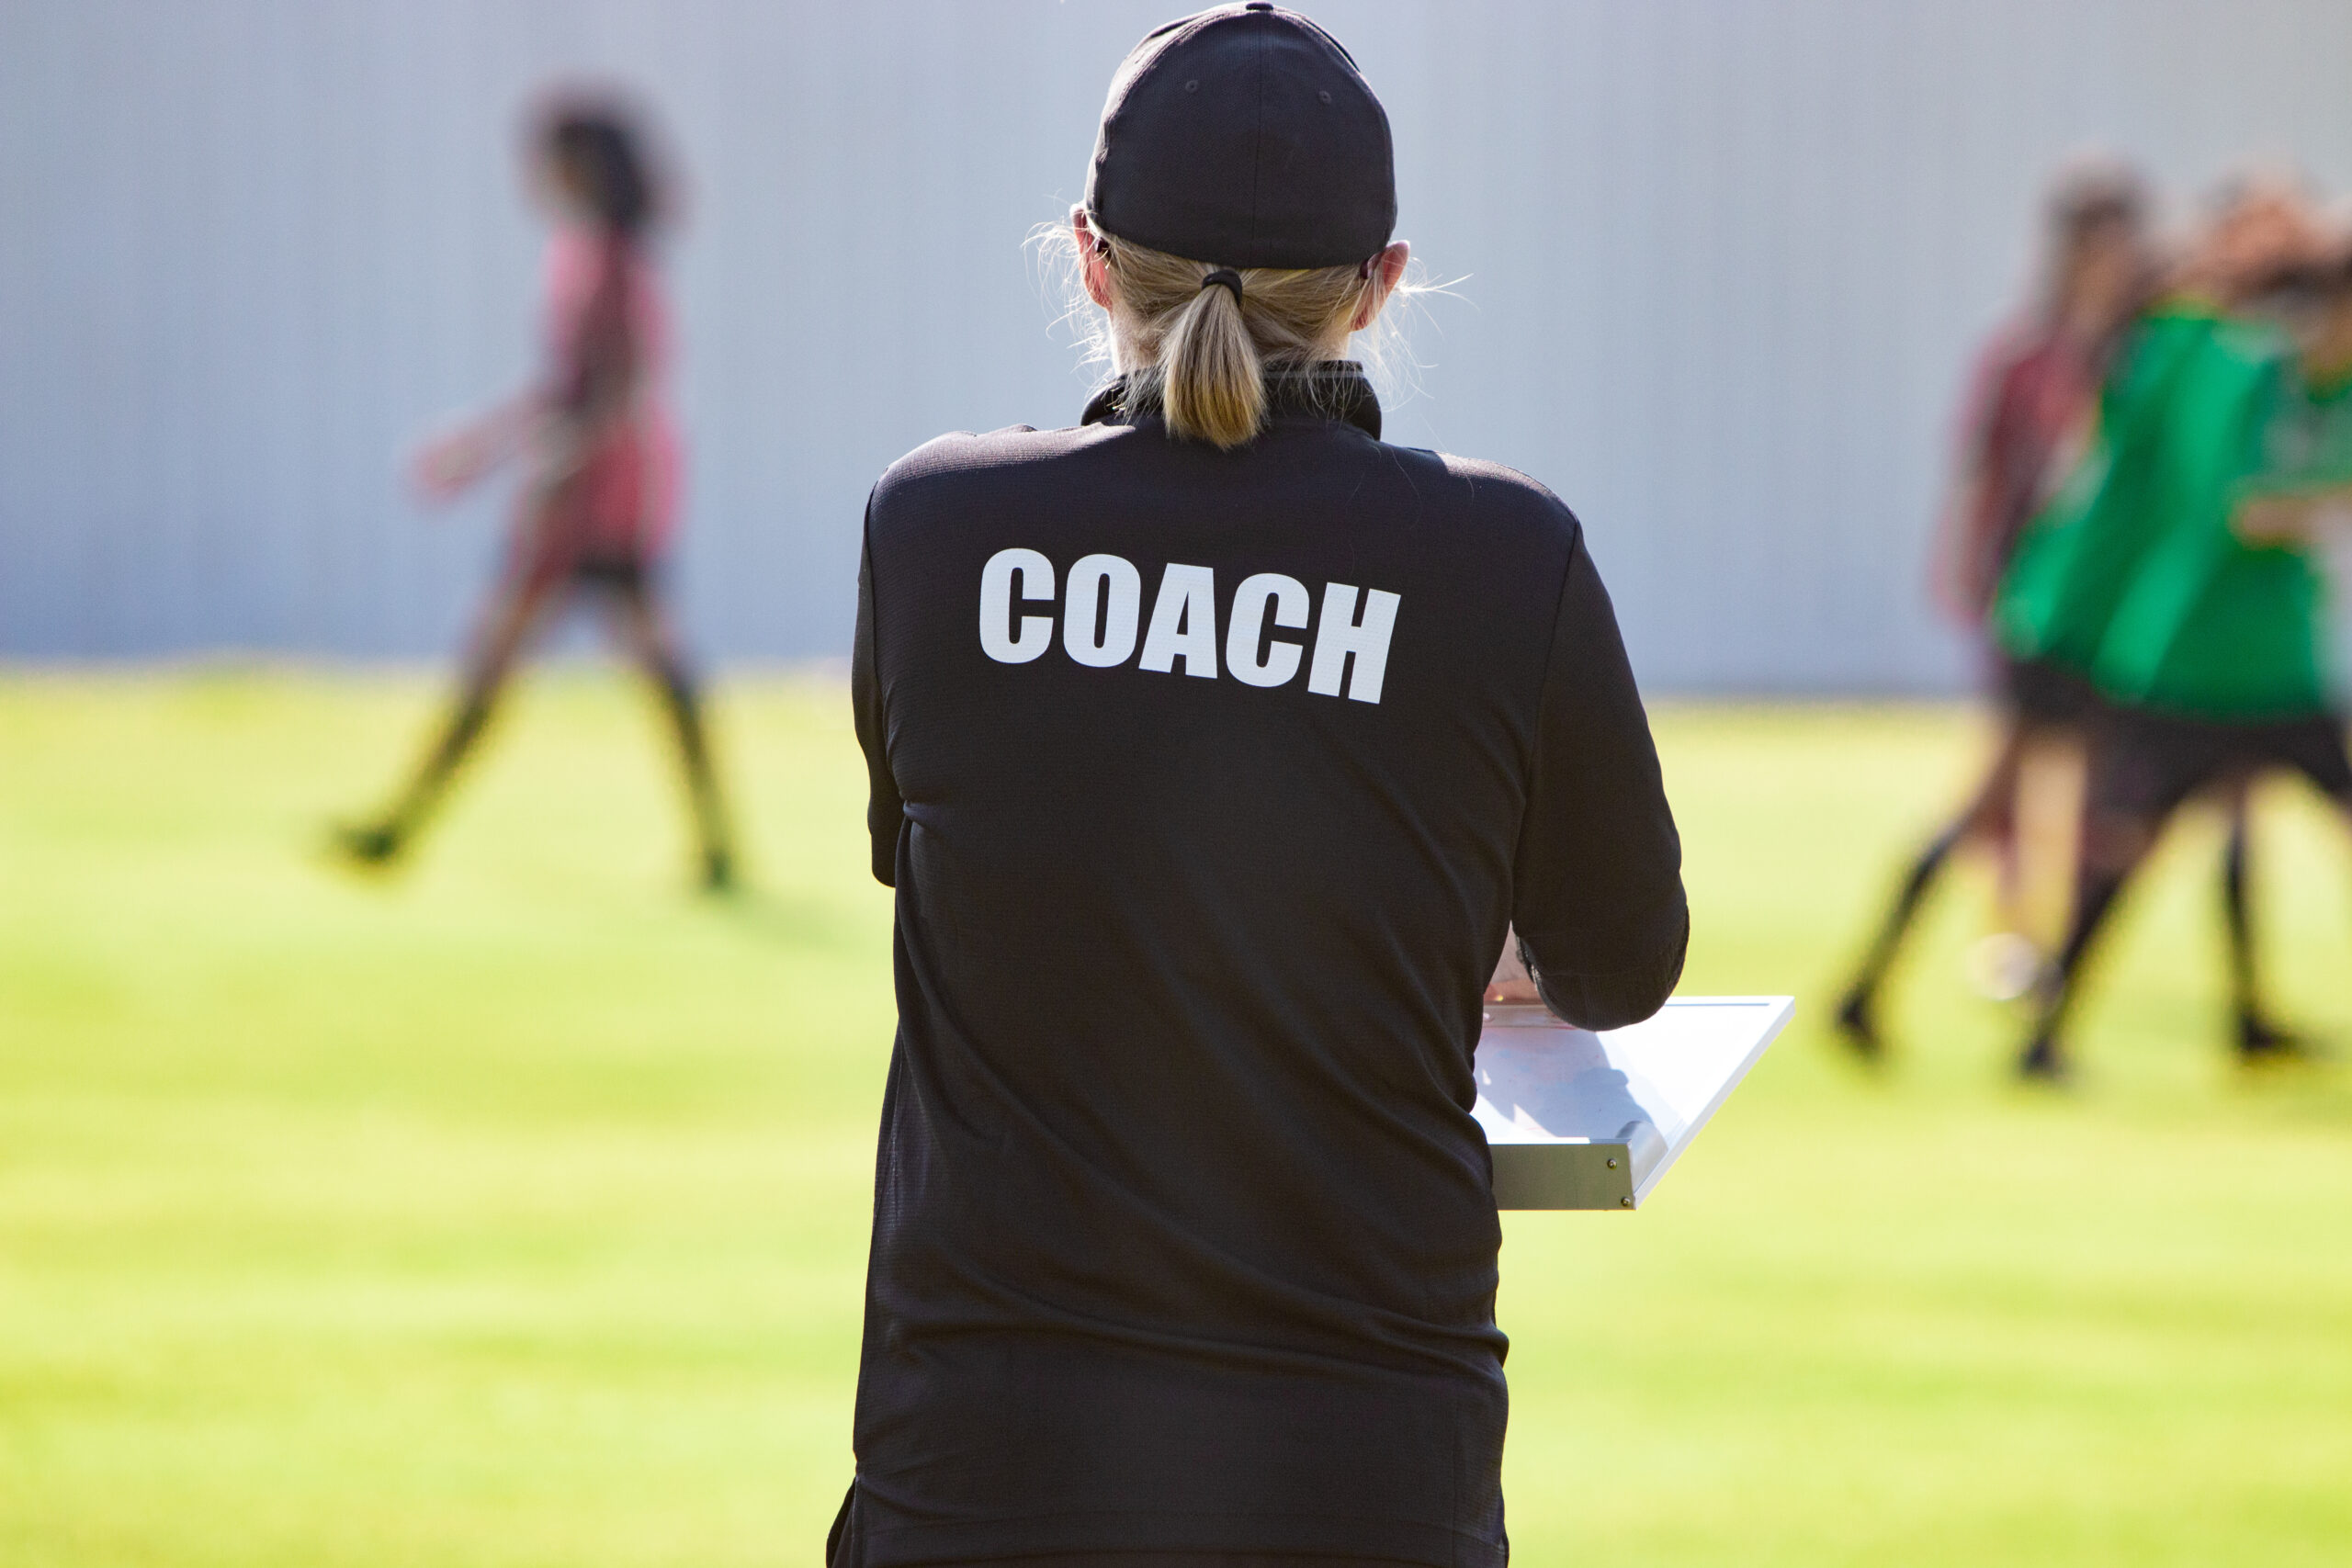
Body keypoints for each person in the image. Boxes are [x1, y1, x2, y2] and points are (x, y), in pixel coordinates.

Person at [835, 7, 1688, 1565]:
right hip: (1363, 1473)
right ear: (1384, 282)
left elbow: (978, 864)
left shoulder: (933, 529)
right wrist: (1470, 939)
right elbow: (1626, 963)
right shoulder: (1506, 556)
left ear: (1093, 260)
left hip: (982, 1466)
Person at [335, 92, 734, 890]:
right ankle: (717, 847)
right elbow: (562, 389)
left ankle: (401, 825)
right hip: (590, 491)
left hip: (602, 501)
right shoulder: (585, 253)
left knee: (536, 661)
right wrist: (481, 449)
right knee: (613, 666)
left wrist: (556, 464)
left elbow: (615, 390)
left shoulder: (616, 262)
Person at [2003, 195, 2352, 1078]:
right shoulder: (2237, 369)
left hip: (2276, 667)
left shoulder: (2336, 391)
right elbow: (2236, 502)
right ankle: (2044, 1032)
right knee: (2124, 851)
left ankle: (2244, 1022)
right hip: (2185, 659)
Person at [1836, 164, 2152, 1056]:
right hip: (2047, 612)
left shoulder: (2136, 351)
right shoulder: (2035, 358)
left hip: (2100, 615)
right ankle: (1896, 984)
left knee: (2076, 809)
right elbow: (1988, 474)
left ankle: (2012, 982)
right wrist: (1972, 571)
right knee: (2005, 801)